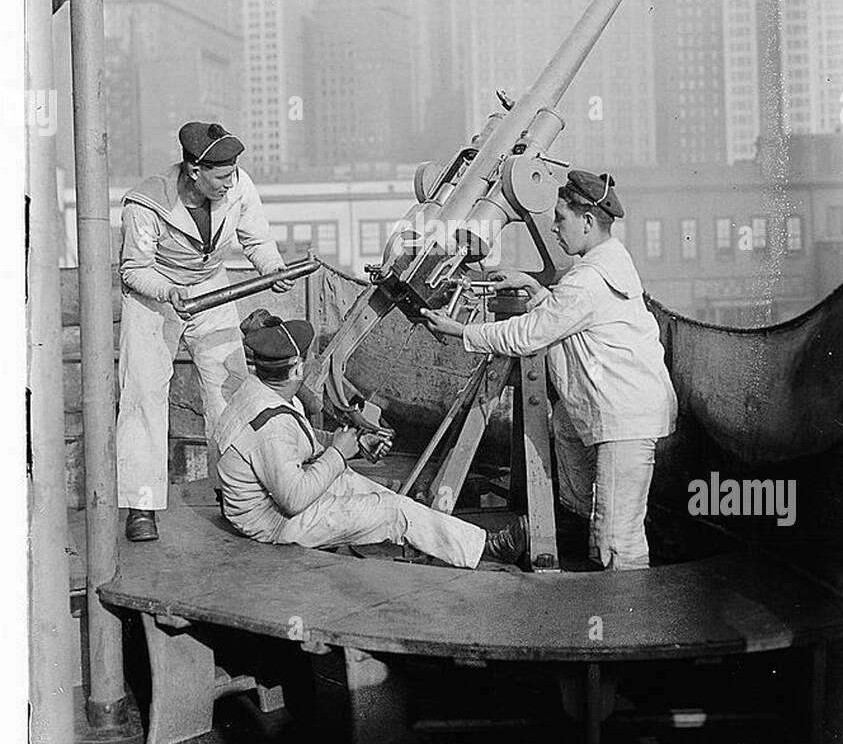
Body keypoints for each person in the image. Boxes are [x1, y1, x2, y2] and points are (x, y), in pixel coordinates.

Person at [422, 170, 677, 571]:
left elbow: (530, 334)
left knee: (619, 540)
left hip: (626, 421)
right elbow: (572, 315)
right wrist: (533, 286)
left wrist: (461, 331)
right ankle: (601, 596)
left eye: (560, 218)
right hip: (619, 410)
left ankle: (630, 620)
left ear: (588, 222)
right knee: (576, 462)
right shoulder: (607, 262)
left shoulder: (590, 279)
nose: (554, 227)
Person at [214, 315, 528, 568]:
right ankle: (489, 548)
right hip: (273, 523)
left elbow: (293, 446)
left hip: (274, 503)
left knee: (369, 490)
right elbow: (293, 498)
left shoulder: (258, 391)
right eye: (307, 361)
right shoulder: (271, 423)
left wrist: (354, 445)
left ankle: (435, 535)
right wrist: (337, 452)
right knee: (394, 512)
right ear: (296, 369)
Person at [116, 121, 291, 542]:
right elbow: (133, 268)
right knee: (143, 395)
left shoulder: (238, 185)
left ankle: (231, 492)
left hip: (211, 286)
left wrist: (272, 267)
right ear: (194, 170)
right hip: (155, 292)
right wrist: (168, 291)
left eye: (233, 173)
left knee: (229, 388)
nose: (230, 184)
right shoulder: (146, 202)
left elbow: (257, 239)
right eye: (221, 176)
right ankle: (141, 507)